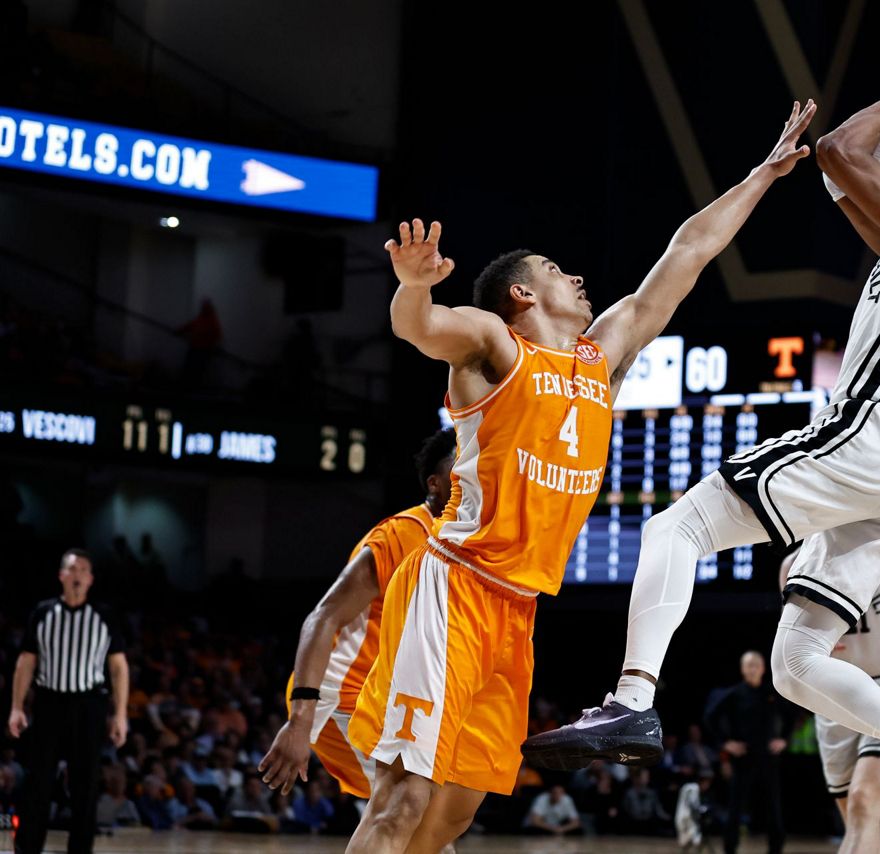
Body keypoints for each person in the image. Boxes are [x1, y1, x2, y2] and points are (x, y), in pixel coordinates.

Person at [524, 73, 880, 833]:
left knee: (678, 526)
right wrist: (869, 134)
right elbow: (843, 175)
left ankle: (632, 701)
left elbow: (840, 150)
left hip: (874, 436)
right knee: (797, 663)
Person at [344, 99, 818, 854]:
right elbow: (421, 327)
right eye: (557, 271)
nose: (578, 276)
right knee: (404, 798)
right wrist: (410, 284)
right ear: (524, 295)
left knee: (455, 812)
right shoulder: (495, 346)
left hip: (518, 609)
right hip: (455, 585)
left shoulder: (603, 356)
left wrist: (763, 174)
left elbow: (689, 252)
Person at [259, 429, 456, 799]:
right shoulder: (404, 533)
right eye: (459, 466)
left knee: (428, 815)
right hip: (341, 694)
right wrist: (300, 721)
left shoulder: (453, 544)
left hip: (385, 702)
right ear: (434, 483)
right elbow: (323, 617)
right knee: (408, 807)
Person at [784, 546, 880, 854]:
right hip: (833, 694)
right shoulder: (793, 566)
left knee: (863, 802)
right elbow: (793, 643)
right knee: (861, 824)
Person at [8, 548, 129, 854]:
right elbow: (26, 661)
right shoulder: (43, 612)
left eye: (84, 570)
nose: (78, 575)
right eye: (73, 569)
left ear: (91, 579)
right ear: (61, 575)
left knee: (85, 784)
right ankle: (27, 847)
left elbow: (118, 667)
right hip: (49, 701)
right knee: (38, 781)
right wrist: (17, 707)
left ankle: (80, 850)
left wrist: (120, 714)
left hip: (89, 705)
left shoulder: (104, 616)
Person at [705, 651, 790, 854]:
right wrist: (726, 743)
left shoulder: (772, 693)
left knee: (773, 804)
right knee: (736, 805)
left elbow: (791, 714)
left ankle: (776, 848)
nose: (752, 669)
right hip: (743, 757)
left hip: (768, 756)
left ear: (763, 668)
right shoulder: (734, 694)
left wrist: (784, 739)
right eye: (748, 665)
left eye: (756, 665)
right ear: (742, 669)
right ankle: (730, 847)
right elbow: (710, 717)